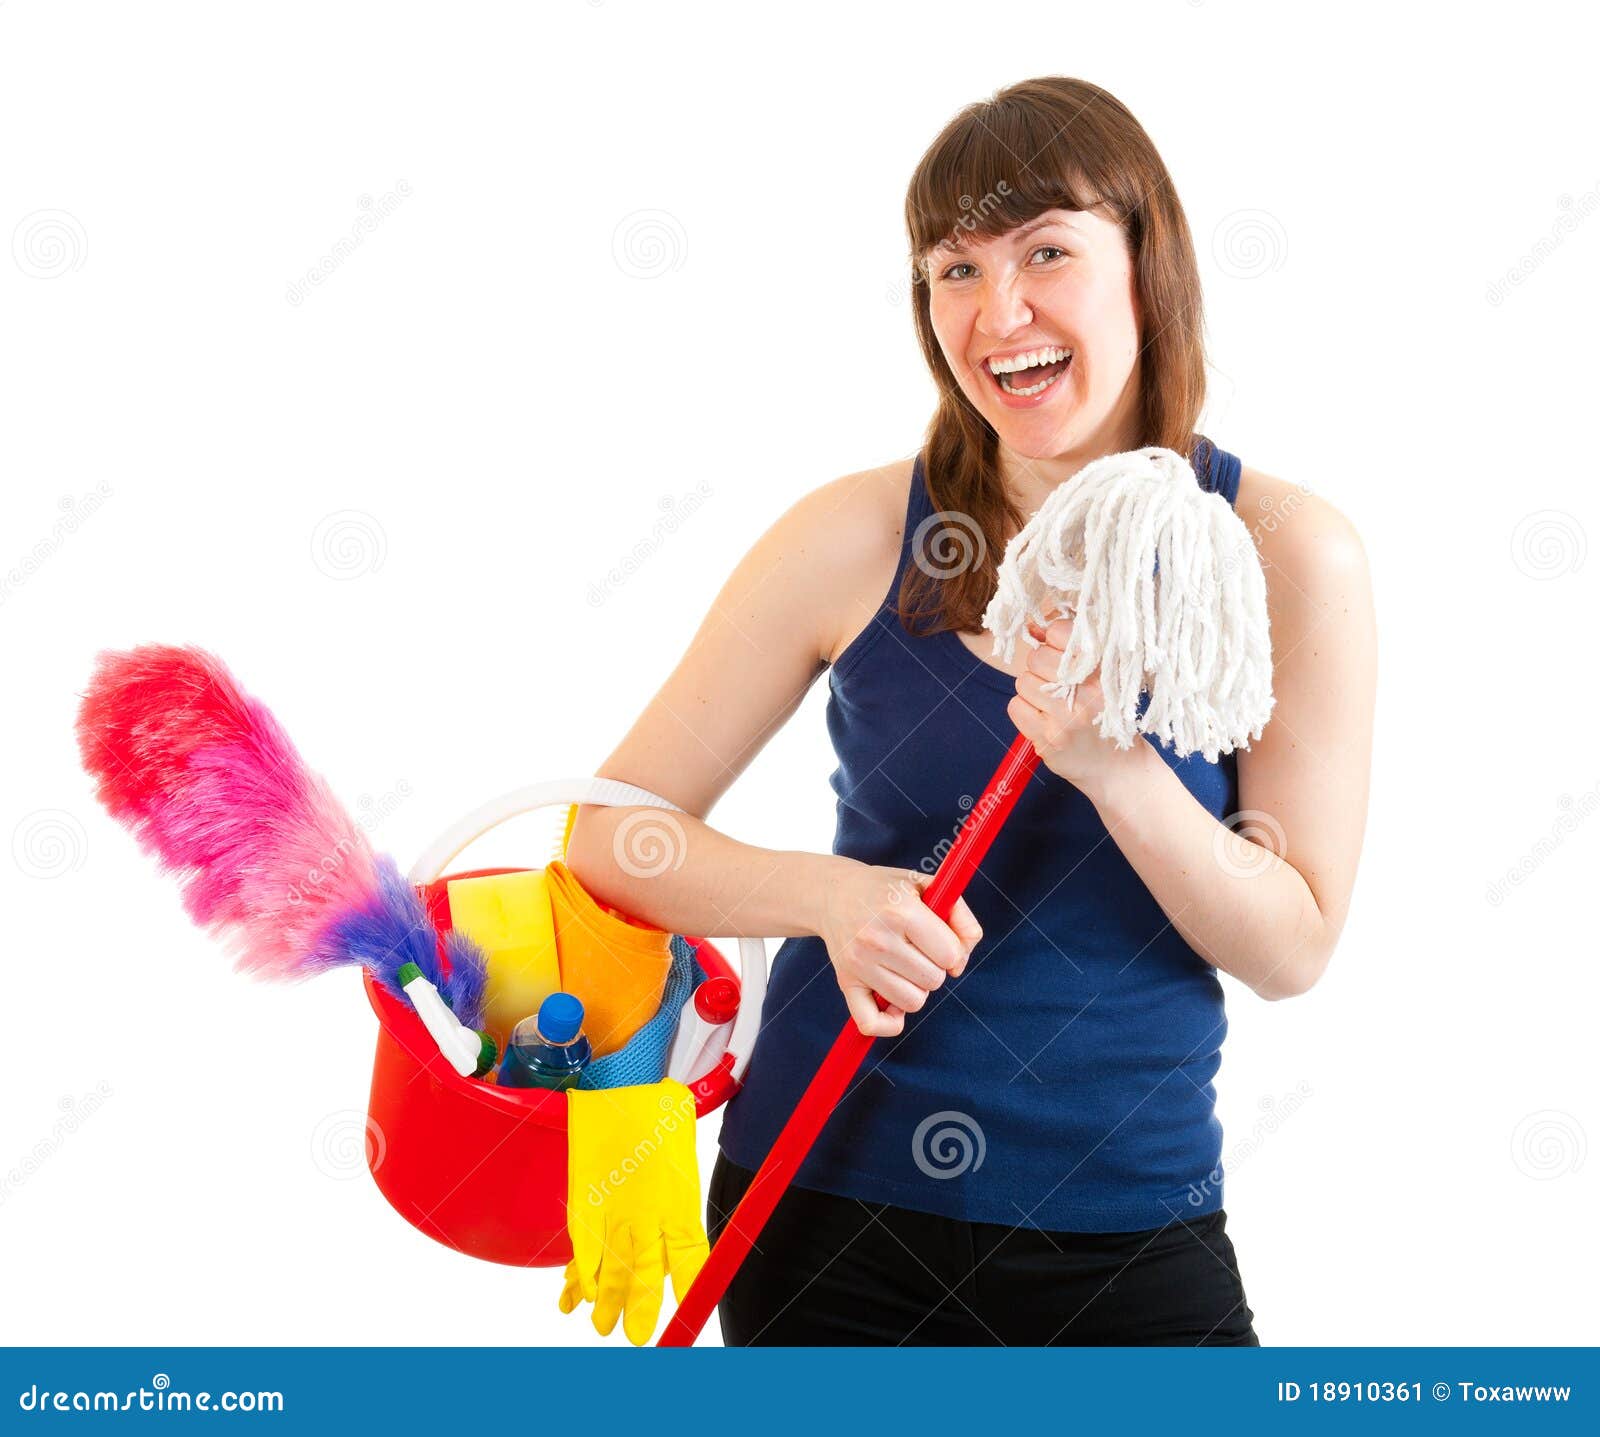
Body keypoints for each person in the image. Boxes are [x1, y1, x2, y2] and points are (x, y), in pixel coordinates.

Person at [566, 75, 1376, 1346]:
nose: (998, 312)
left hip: (1125, 1223)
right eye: (953, 268)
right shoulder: (851, 536)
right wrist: (834, 901)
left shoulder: (1277, 551)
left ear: (1144, 263)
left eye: (1046, 250)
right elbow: (611, 832)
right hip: (826, 1199)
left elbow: (1293, 948)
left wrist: (1120, 772)